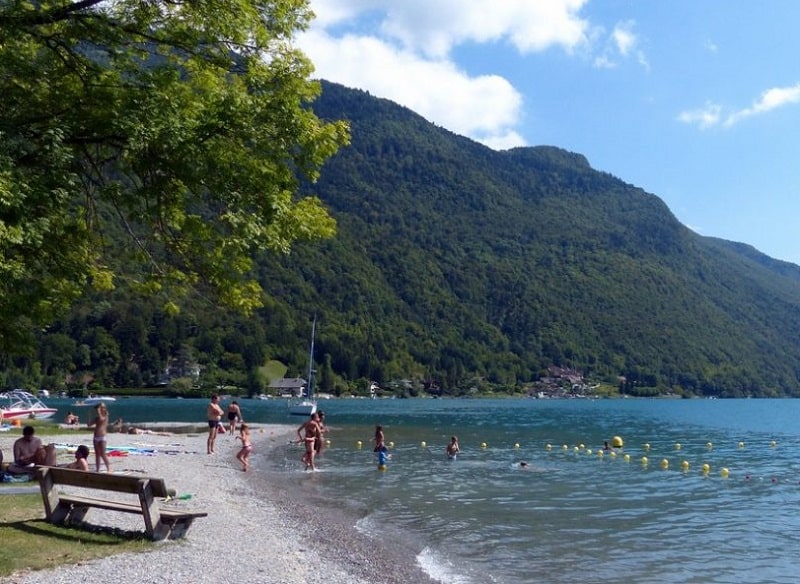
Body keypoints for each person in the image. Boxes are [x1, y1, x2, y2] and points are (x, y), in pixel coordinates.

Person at [87, 402, 110, 472]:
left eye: (101, 408)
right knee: (97, 454)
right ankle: (97, 469)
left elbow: (101, 419)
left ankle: (108, 468)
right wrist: (89, 417)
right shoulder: (97, 418)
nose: (99, 409)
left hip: (102, 437)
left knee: (103, 454)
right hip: (96, 437)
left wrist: (99, 410)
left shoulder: (106, 415)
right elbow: (89, 424)